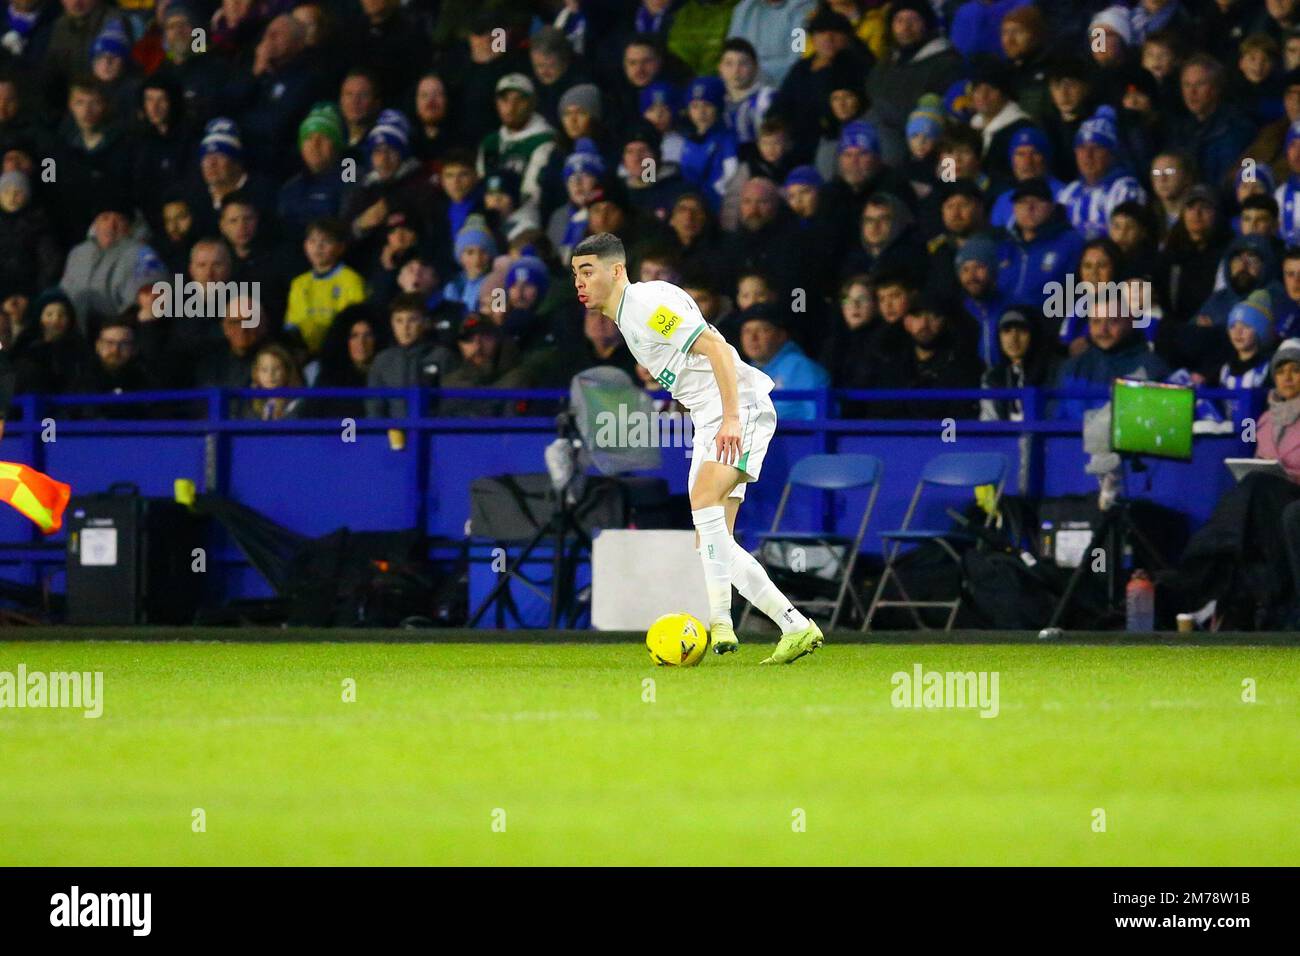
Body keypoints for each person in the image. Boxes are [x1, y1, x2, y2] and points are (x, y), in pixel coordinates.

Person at [570, 231, 822, 663]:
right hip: (712, 415)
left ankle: (721, 624)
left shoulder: (645, 307)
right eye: (576, 273)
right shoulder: (637, 309)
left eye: (588, 271)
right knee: (712, 539)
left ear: (616, 271)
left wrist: (729, 419)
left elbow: (720, 351)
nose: (580, 281)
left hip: (736, 408)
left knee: (703, 502)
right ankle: (795, 626)